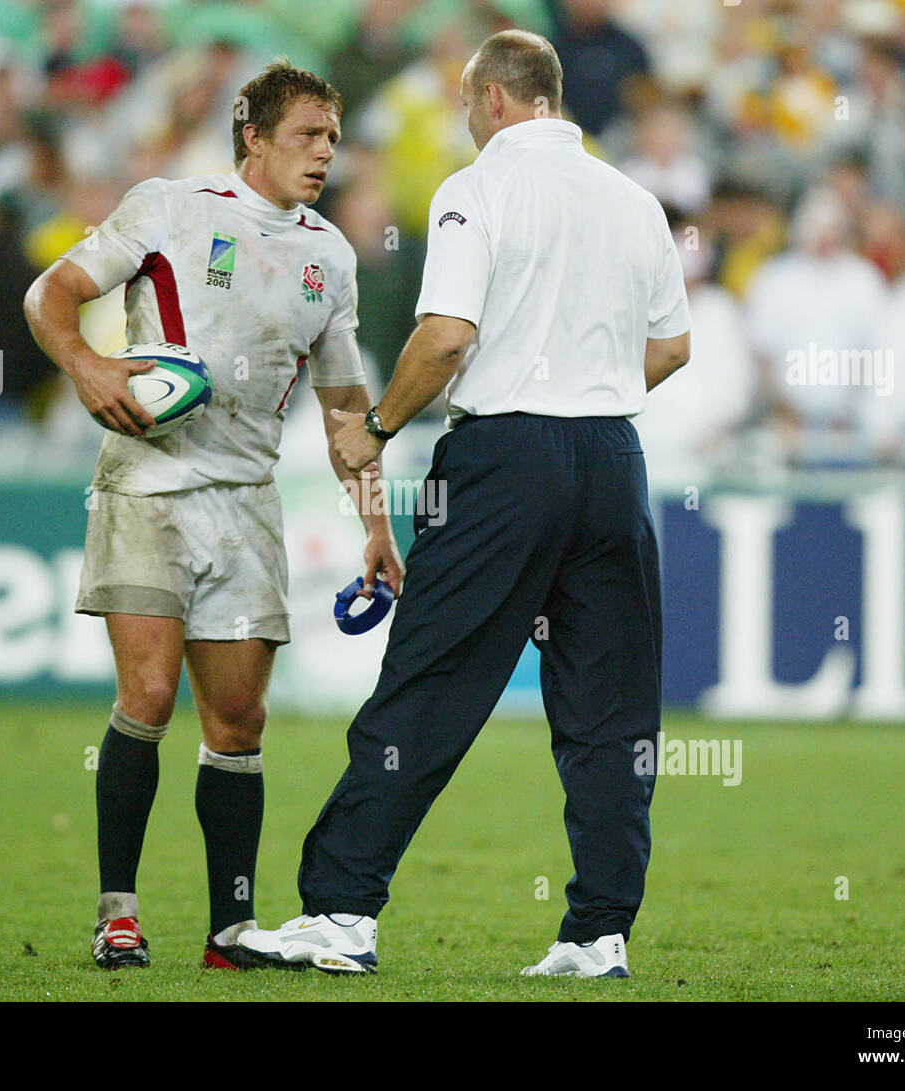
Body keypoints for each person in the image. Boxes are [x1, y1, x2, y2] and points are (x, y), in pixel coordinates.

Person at [237, 29, 690, 978]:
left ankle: (342, 912)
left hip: (505, 458)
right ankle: (597, 931)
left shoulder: (477, 188)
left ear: (490, 100)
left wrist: (380, 429)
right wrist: (590, 381)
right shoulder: (635, 200)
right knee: (609, 709)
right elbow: (672, 347)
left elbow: (445, 336)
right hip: (613, 459)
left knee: (431, 684)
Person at [22, 61, 403, 971]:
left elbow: (348, 409)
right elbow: (51, 294)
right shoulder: (169, 207)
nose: (325, 155)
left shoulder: (330, 255)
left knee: (238, 723)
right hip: (148, 483)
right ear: (255, 138)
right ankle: (119, 910)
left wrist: (377, 526)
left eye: (333, 139)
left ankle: (231, 929)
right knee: (149, 697)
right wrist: (89, 366)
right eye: (308, 136)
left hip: (246, 499)